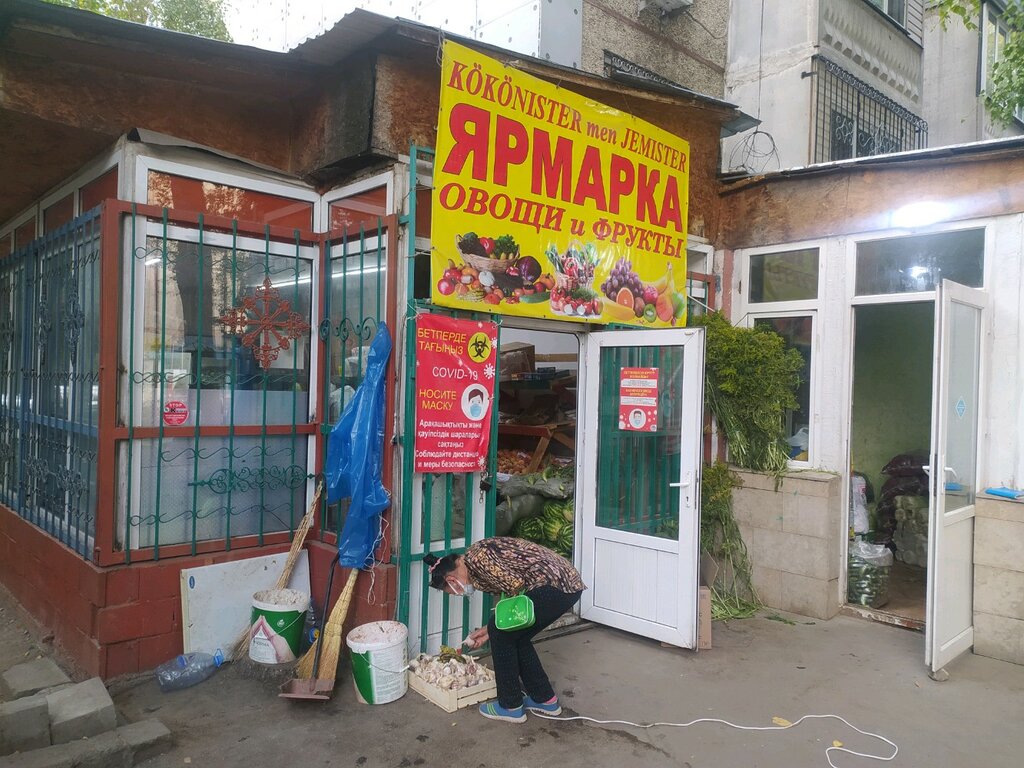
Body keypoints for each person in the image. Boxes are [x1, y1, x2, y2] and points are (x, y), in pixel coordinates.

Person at [423, 537, 585, 723]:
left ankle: (510, 706)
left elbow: (514, 585)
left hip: (555, 585)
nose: (459, 593)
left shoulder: (476, 558)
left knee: (502, 635)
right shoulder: (474, 566)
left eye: (453, 591)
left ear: (451, 579)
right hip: (564, 586)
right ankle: (544, 699)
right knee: (516, 637)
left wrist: (494, 629)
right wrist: (489, 629)